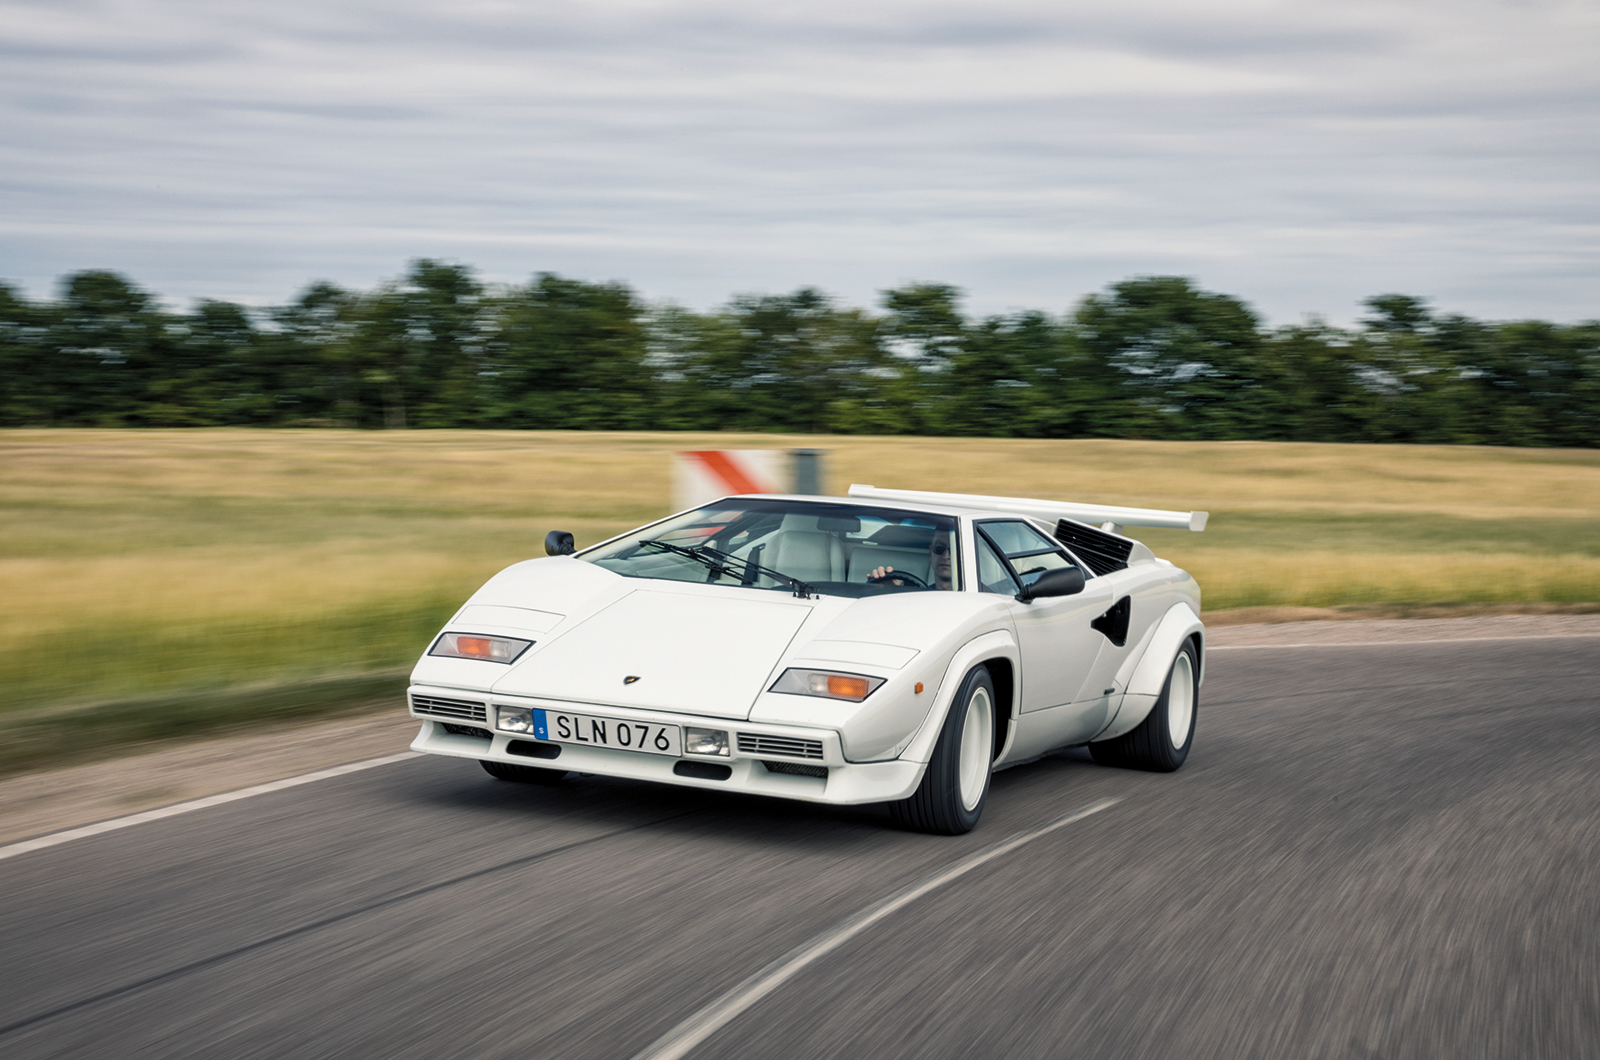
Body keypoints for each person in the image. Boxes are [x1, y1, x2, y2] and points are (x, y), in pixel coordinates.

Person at [868, 531, 954, 590]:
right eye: (939, 548)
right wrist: (891, 592)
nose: (945, 556)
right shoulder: (915, 596)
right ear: (930, 553)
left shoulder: (966, 600)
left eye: (954, 550)